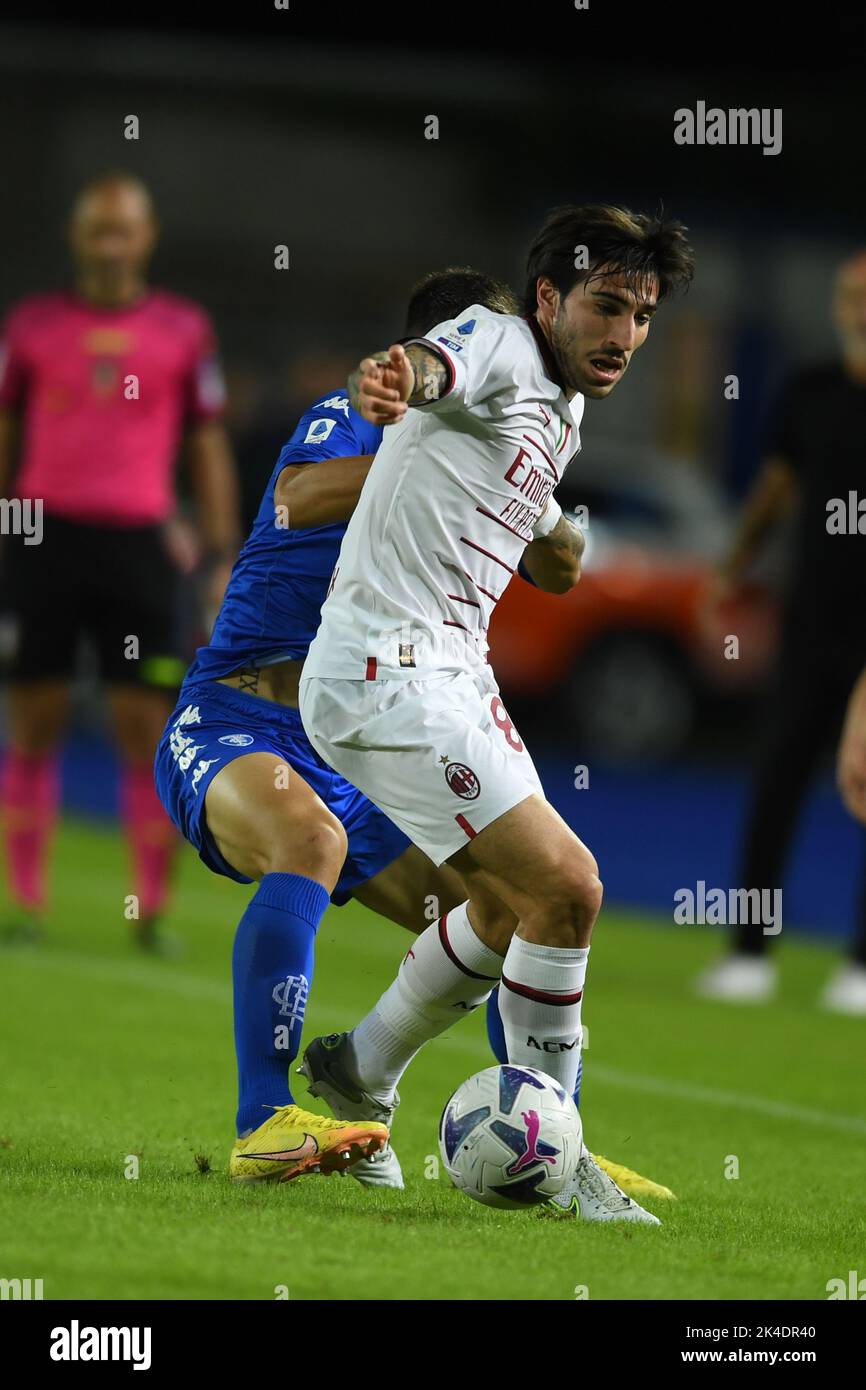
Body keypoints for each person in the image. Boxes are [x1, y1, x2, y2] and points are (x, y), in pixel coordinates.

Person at [299, 204, 694, 1221]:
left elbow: (516, 510)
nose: (622, 335)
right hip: (388, 673)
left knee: (505, 908)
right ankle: (558, 1159)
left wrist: (557, 538)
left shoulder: (562, 410)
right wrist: (392, 378)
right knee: (569, 887)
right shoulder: (502, 343)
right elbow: (433, 366)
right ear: (548, 298)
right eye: (604, 305)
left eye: (641, 314)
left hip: (448, 677)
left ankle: (363, 1068)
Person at [0, 172, 240, 949]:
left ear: (146, 238)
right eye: (97, 229)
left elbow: (206, 444)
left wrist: (222, 551)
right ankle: (23, 904)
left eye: (123, 230)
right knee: (34, 720)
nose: (110, 243)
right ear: (79, 237)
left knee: (146, 727)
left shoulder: (181, 330)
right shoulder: (32, 326)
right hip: (43, 535)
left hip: (139, 544)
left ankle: (151, 911)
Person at [696, 251, 866, 1014]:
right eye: (849, 294)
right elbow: (775, 488)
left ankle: (861, 965)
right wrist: (731, 569)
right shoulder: (810, 391)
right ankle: (749, 954)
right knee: (776, 783)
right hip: (809, 623)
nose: (857, 306)